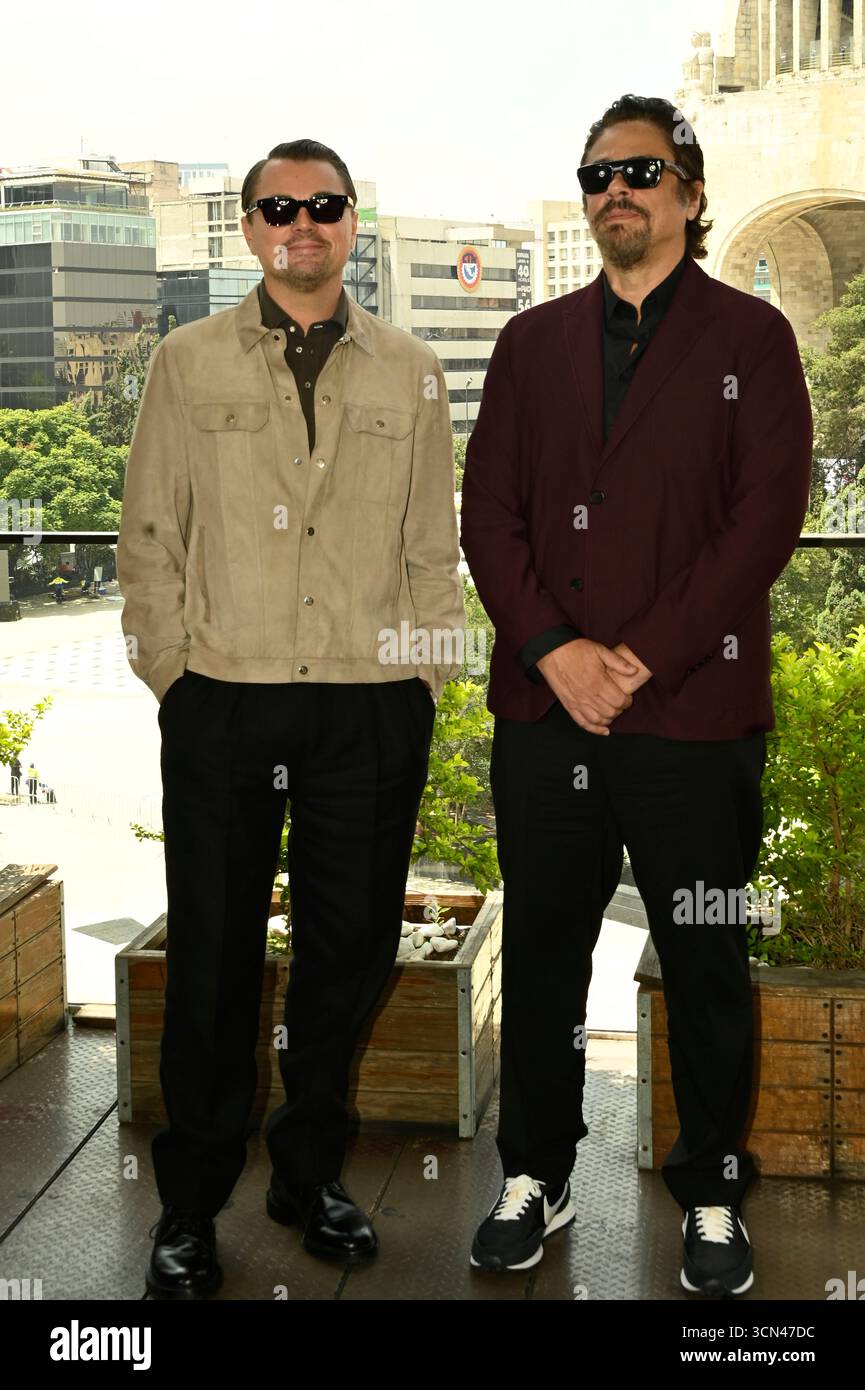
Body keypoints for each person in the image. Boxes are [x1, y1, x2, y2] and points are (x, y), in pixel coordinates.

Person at [460, 93, 812, 1297]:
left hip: (693, 713)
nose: (619, 190)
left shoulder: (751, 340)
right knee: (547, 954)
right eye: (599, 173)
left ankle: (711, 1188)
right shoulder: (526, 342)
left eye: (645, 171)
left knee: (706, 949)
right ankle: (534, 1172)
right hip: (543, 709)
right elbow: (488, 516)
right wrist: (557, 650)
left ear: (691, 193)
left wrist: (641, 656)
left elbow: (762, 522)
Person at [117, 138, 465, 1300]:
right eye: (278, 206)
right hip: (223, 700)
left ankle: (307, 1174)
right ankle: (191, 1199)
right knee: (212, 958)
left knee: (346, 956)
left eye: (321, 206)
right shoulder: (184, 360)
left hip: (370, 709)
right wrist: (172, 670)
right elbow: (150, 534)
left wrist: (424, 686)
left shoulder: (410, 369)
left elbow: (431, 547)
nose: (299, 223)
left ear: (350, 223)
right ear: (253, 224)